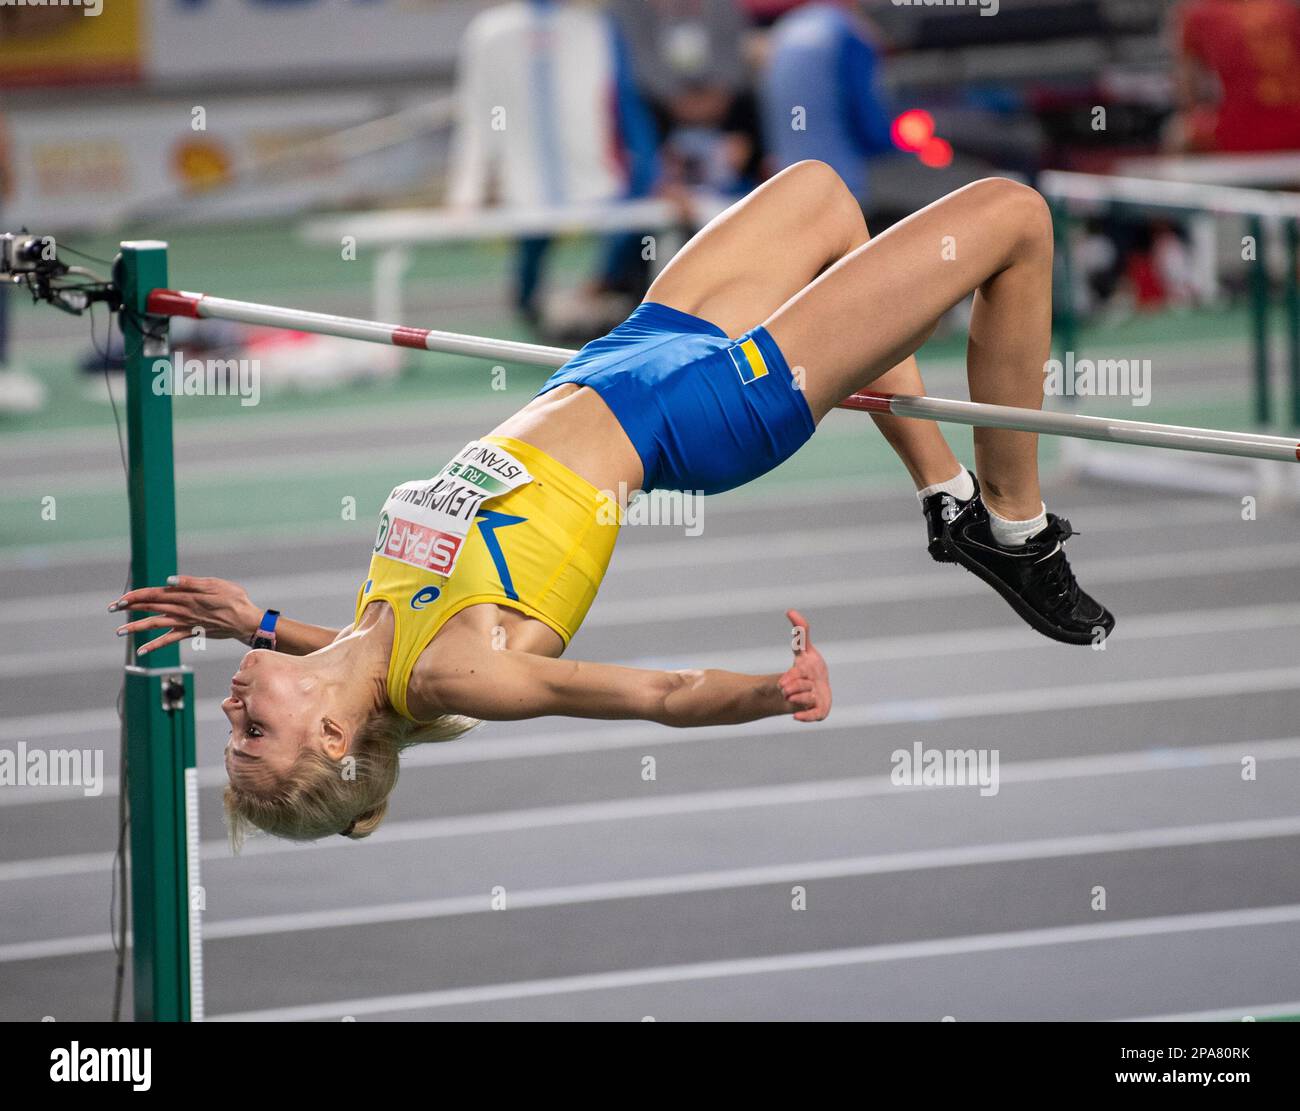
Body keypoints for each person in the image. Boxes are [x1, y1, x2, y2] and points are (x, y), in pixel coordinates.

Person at [110, 162, 1113, 844]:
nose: (230, 708)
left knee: (821, 202)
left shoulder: (373, 648)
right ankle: (1010, 527)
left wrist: (264, 623)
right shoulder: (465, 673)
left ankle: (944, 497)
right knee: (1015, 218)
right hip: (703, 411)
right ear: (331, 741)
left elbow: (377, 660)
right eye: (250, 735)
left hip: (625, 360)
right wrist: (772, 691)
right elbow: (657, 695)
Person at [1168, 0, 1300, 153]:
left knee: (1178, 132)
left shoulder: (1198, 14)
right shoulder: (1287, 9)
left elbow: (1188, 93)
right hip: (1297, 127)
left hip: (1242, 132)